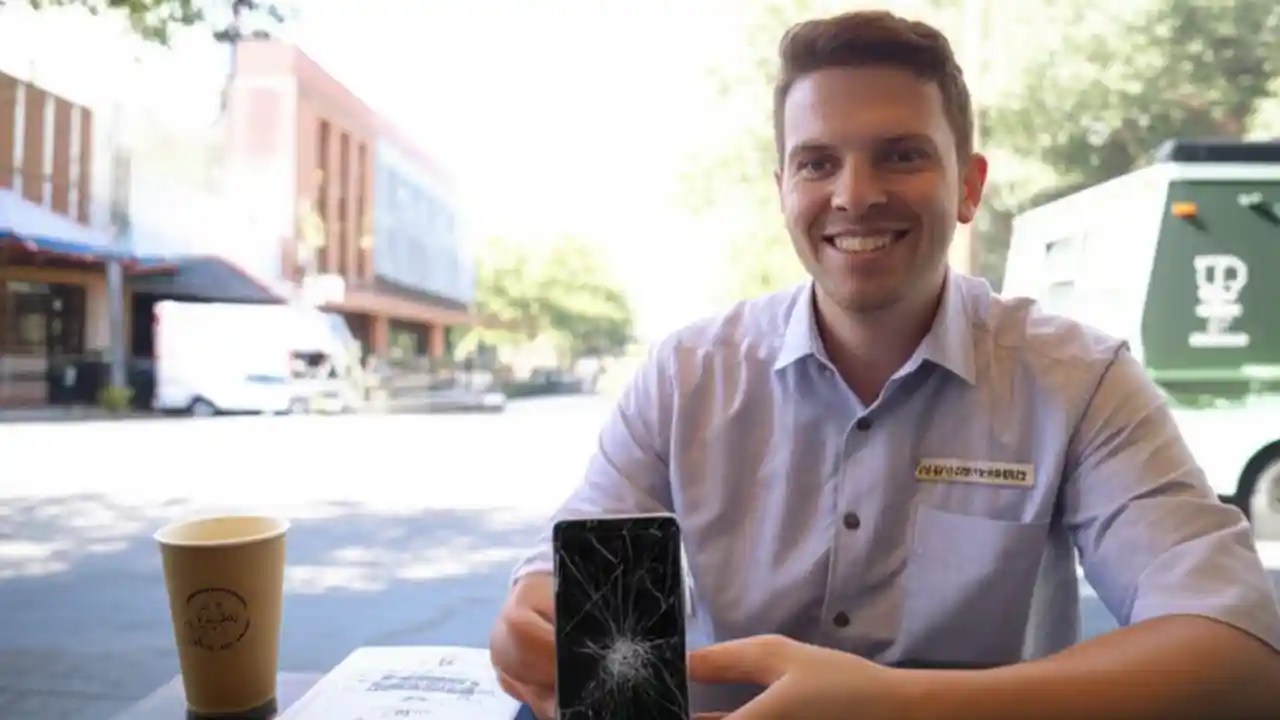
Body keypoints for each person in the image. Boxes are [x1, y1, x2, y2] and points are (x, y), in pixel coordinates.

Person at [490, 9, 1280, 719]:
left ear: (969, 186)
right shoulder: (688, 374)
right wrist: (537, 608)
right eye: (816, 163)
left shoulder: (1078, 381)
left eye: (901, 156)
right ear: (783, 190)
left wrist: (899, 706)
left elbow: (1238, 655)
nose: (854, 195)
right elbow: (578, 567)